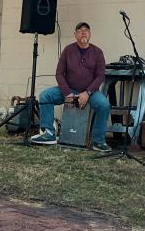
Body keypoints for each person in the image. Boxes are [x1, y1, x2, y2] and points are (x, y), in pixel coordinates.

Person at [29, 22, 111, 151]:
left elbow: (100, 76)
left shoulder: (97, 52)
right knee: (45, 95)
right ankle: (49, 134)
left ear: (90, 34)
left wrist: (87, 93)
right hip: (69, 90)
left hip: (90, 92)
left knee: (104, 105)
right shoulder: (68, 50)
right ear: (75, 34)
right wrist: (67, 93)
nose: (83, 32)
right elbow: (59, 73)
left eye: (86, 30)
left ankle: (98, 141)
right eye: (80, 30)